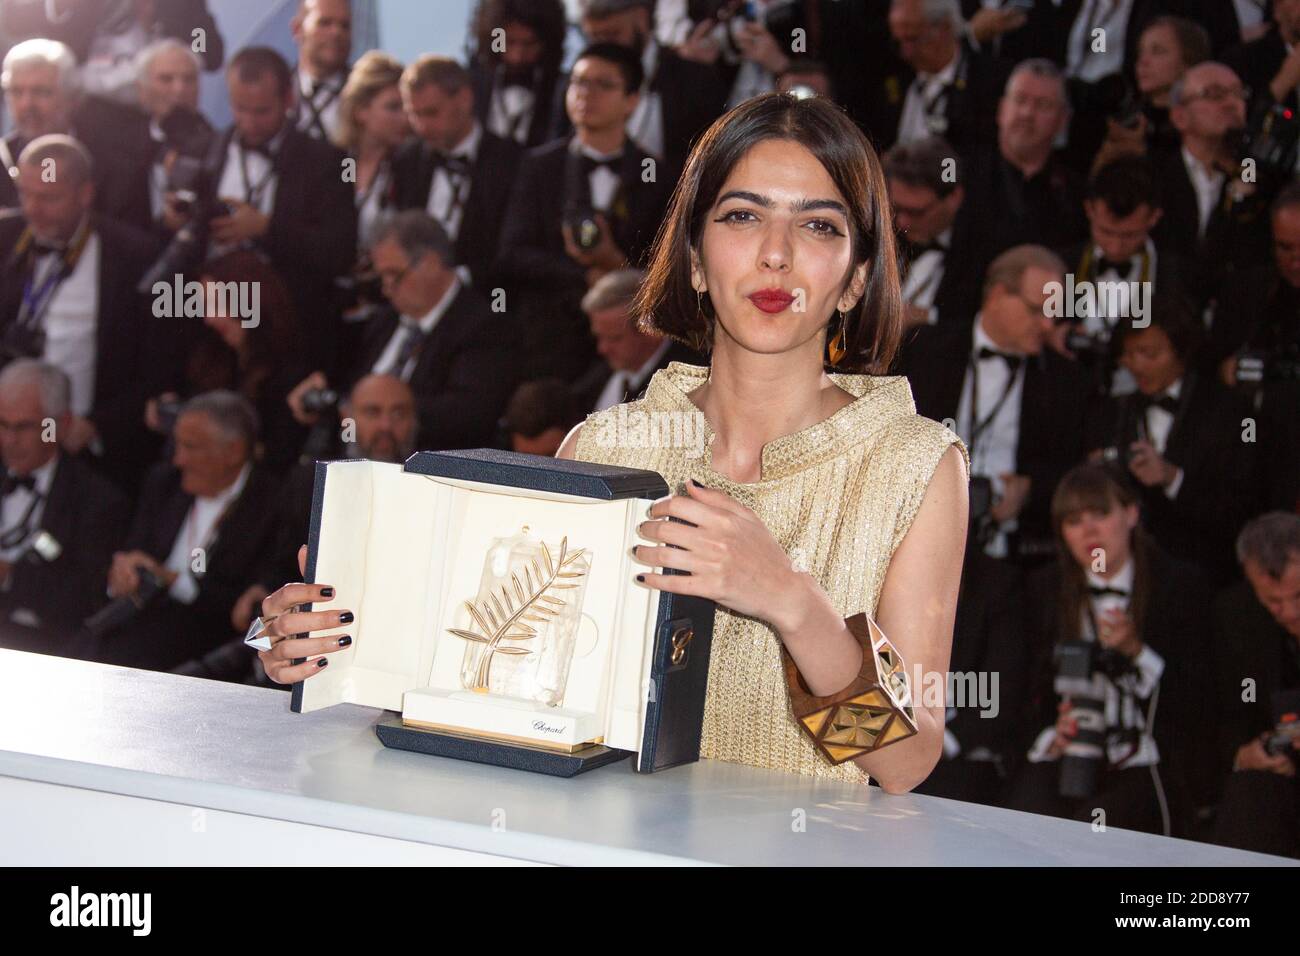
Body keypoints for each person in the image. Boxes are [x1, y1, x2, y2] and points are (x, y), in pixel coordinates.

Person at [255, 92, 971, 794]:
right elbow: (517, 698)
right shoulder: (608, 446)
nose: (776, 255)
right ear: (693, 259)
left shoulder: (913, 465)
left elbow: (902, 764)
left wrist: (791, 603)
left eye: (819, 227)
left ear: (856, 279)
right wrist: (339, 643)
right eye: (743, 216)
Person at [1004, 462, 1210, 838]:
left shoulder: (1179, 586)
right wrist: (1054, 731)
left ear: (1131, 513)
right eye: (1073, 521)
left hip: (1144, 758)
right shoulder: (1042, 590)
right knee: (1023, 824)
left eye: (1100, 514)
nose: (1089, 531)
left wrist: (1136, 651)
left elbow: (1198, 701)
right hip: (1066, 754)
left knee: (1097, 831)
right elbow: (1019, 691)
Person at [899, 245, 1090, 566]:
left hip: (1008, 555)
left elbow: (1075, 472)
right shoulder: (924, 350)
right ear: (998, 295)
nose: (1047, 326)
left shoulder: (1065, 380)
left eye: (1054, 314)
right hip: (915, 537)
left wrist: (1029, 490)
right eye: (1036, 310)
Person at [495, 43, 673, 381]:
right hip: (547, 345)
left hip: (632, 347)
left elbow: (667, 271)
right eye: (578, 82)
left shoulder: (659, 176)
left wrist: (614, 264)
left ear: (632, 100)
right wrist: (584, 277)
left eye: (604, 85)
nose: (586, 94)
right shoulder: (538, 167)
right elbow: (512, 255)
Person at [71, 390, 279, 672]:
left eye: (190, 447)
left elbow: (248, 603)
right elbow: (135, 549)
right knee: (80, 646)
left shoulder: (270, 503)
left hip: (210, 639)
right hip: (141, 615)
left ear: (233, 451)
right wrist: (124, 570)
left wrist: (172, 580)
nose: (179, 459)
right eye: (176, 445)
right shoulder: (164, 483)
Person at [0, 135, 162, 496]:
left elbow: (158, 364)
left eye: (48, 198)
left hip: (89, 450)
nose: (33, 209)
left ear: (85, 193)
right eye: (25, 194)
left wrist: (97, 426)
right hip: (8, 445)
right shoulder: (5, 237)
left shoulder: (135, 255)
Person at [182, 46, 357, 377]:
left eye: (261, 111)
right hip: (209, 327)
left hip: (289, 335)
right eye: (239, 108)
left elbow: (339, 253)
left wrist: (266, 229)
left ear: (289, 99)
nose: (249, 122)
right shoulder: (205, 151)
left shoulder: (327, 162)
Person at [287, 212, 517, 454]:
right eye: (382, 277)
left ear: (429, 264)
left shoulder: (484, 329)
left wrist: (372, 410)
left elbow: (467, 415)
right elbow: (349, 377)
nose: (386, 289)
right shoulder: (385, 320)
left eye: (393, 275)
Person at [1087, 300, 1261, 582]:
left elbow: (1243, 502)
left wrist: (1173, 479)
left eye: (1149, 354)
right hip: (1128, 570)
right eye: (1128, 355)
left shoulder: (1235, 413)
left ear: (1182, 353)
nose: (1137, 365)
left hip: (1205, 570)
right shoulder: (1110, 412)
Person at [0, 360, 128, 651]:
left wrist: (10, 576)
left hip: (48, 648)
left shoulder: (98, 500)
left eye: (24, 427)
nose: (9, 440)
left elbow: (87, 599)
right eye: (2, 424)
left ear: (61, 424)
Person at [391, 55, 523, 290]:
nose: (422, 126)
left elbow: (512, 253)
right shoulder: (407, 159)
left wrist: (452, 281)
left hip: (488, 299)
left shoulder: (513, 162)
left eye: (431, 113)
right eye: (414, 114)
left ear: (464, 99)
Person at [1211, 512, 1300, 858]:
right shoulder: (1237, 618)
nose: (1289, 612)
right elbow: (1229, 713)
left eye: (1298, 597)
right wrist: (1247, 754)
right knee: (1247, 792)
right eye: (1273, 601)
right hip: (1280, 782)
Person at [0, 38, 152, 228]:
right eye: (16, 92)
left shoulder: (118, 165)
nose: (26, 104)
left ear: (72, 98)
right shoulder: (3, 158)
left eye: (41, 92)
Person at [877, 0, 1010, 153]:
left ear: (945, 27)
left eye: (913, 39)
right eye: (898, 41)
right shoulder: (895, 77)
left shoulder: (990, 83)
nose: (905, 52)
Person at [571, 267, 703, 413]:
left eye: (614, 338)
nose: (602, 348)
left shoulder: (690, 380)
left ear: (651, 330)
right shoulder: (595, 381)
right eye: (599, 337)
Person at [883, 134, 982, 328]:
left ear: (954, 197)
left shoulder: (981, 247)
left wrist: (928, 316)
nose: (902, 222)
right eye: (896, 208)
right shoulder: (876, 230)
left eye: (916, 212)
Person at [333, 51, 407, 266]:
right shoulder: (331, 165)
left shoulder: (412, 168)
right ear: (361, 111)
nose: (405, 117)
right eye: (393, 107)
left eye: (406, 106)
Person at [467, 0, 569, 149]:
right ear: (493, 38)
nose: (517, 56)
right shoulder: (470, 86)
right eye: (509, 42)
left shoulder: (563, 90)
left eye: (530, 44)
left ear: (547, 43)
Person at [290, 0, 353, 143]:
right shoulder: (278, 94)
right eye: (324, 23)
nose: (337, 32)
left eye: (345, 26)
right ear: (297, 29)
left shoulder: (367, 95)